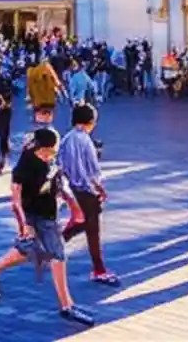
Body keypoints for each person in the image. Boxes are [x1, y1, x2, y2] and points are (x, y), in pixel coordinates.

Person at [0, 128, 94, 327]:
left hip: (49, 214)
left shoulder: (51, 160)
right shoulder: (24, 167)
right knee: (50, 254)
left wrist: (74, 207)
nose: (52, 155)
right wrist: (23, 225)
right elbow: (15, 201)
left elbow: (61, 184)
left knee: (37, 252)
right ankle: (66, 306)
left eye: (54, 151)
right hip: (32, 216)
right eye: (49, 151)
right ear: (40, 148)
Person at [57, 104, 117, 285]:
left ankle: (53, 246)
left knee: (83, 222)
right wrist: (100, 188)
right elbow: (92, 170)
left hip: (72, 188)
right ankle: (99, 269)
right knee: (92, 229)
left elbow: (61, 165)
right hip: (85, 189)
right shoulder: (85, 140)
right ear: (90, 122)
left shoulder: (66, 139)